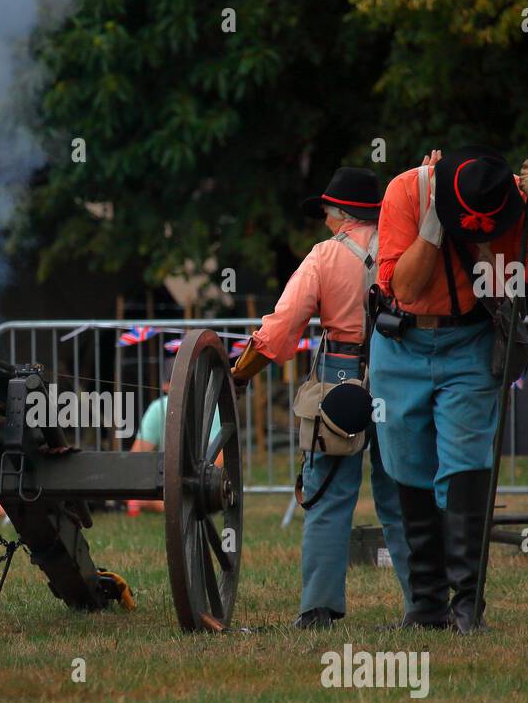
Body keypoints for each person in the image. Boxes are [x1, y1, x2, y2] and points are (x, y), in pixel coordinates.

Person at [370, 146, 528, 633]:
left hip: (471, 342)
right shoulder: (405, 191)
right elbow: (406, 288)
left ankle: (467, 606)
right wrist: (435, 224)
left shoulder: (519, 204)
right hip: (402, 344)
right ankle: (425, 606)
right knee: (408, 469)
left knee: (467, 466)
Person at [230, 167, 411, 628]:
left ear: (341, 213)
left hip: (340, 376)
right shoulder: (404, 248)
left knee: (328, 495)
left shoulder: (323, 257)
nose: (324, 216)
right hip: (399, 373)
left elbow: (281, 327)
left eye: (327, 209)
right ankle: (423, 606)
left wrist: (241, 372)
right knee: (402, 496)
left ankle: (319, 610)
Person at [127, 368, 221, 513]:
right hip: (168, 481)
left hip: (203, 481)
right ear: (166, 386)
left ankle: (163, 505)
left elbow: (220, 460)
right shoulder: (158, 409)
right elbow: (135, 460)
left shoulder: (210, 409)